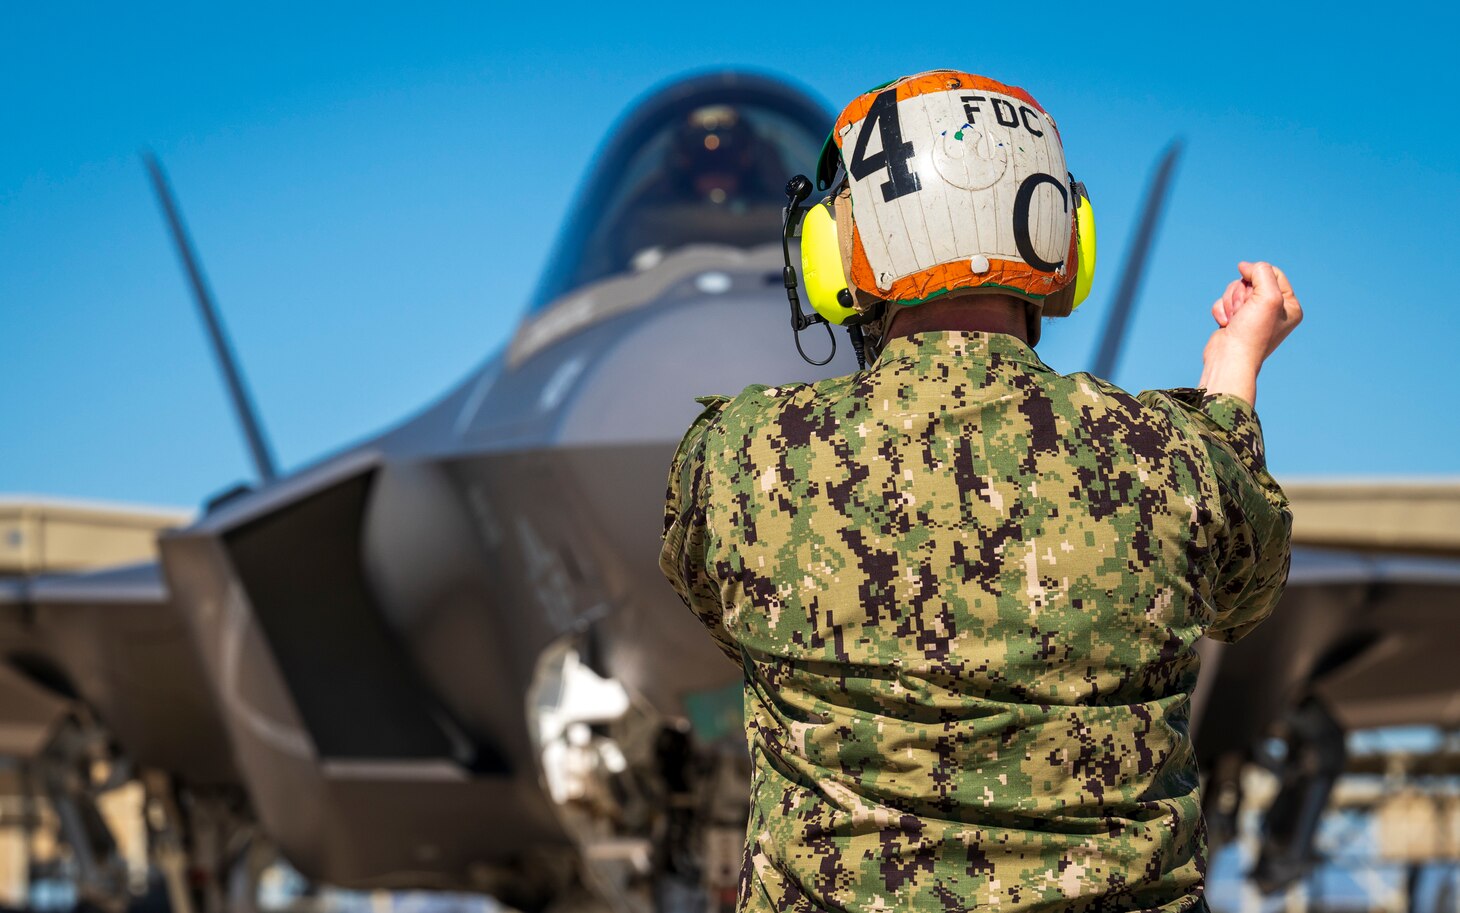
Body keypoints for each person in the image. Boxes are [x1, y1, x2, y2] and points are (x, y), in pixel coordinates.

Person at [660, 70, 1299, 913]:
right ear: (1062, 245)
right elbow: (1243, 594)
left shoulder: (744, 457)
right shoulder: (1169, 462)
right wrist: (1231, 382)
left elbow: (718, 606)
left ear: (837, 250)